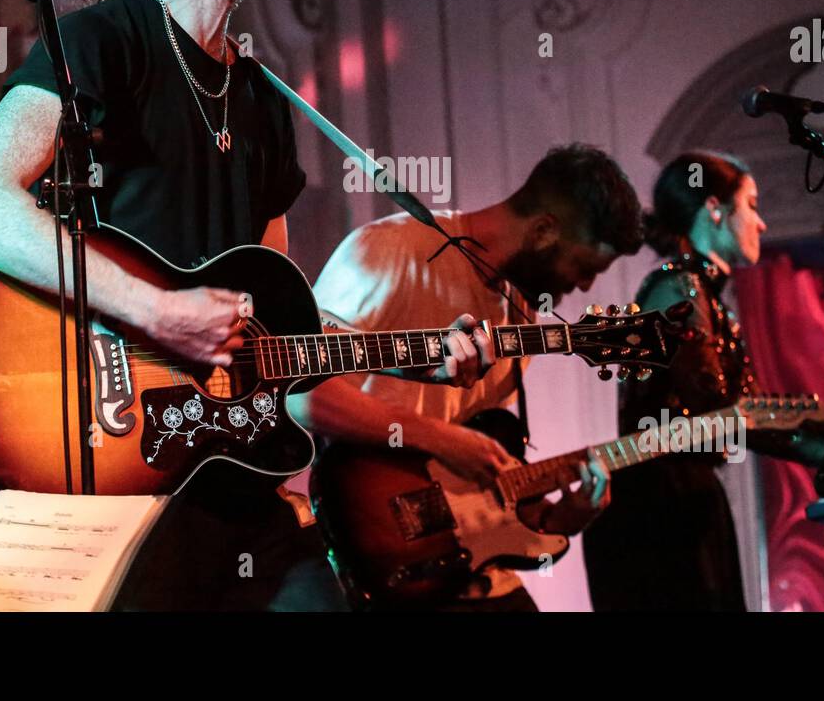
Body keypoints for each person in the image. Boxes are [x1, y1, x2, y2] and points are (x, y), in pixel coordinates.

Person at [0, 0, 488, 610]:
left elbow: (276, 328)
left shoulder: (266, 102)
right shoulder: (105, 40)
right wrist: (158, 312)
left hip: (233, 482)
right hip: (115, 474)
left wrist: (413, 358)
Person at [290, 144, 645, 610]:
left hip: (457, 563)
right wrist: (440, 438)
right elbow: (302, 394)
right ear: (543, 231)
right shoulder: (392, 252)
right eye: (583, 267)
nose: (583, 288)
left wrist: (553, 516)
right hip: (370, 547)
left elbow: (474, 460)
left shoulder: (519, 316)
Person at [582, 150, 766, 611]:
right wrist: (819, 442)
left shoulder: (701, 292)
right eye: (752, 205)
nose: (760, 223)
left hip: (681, 496)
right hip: (661, 506)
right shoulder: (678, 288)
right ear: (714, 209)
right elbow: (716, 403)